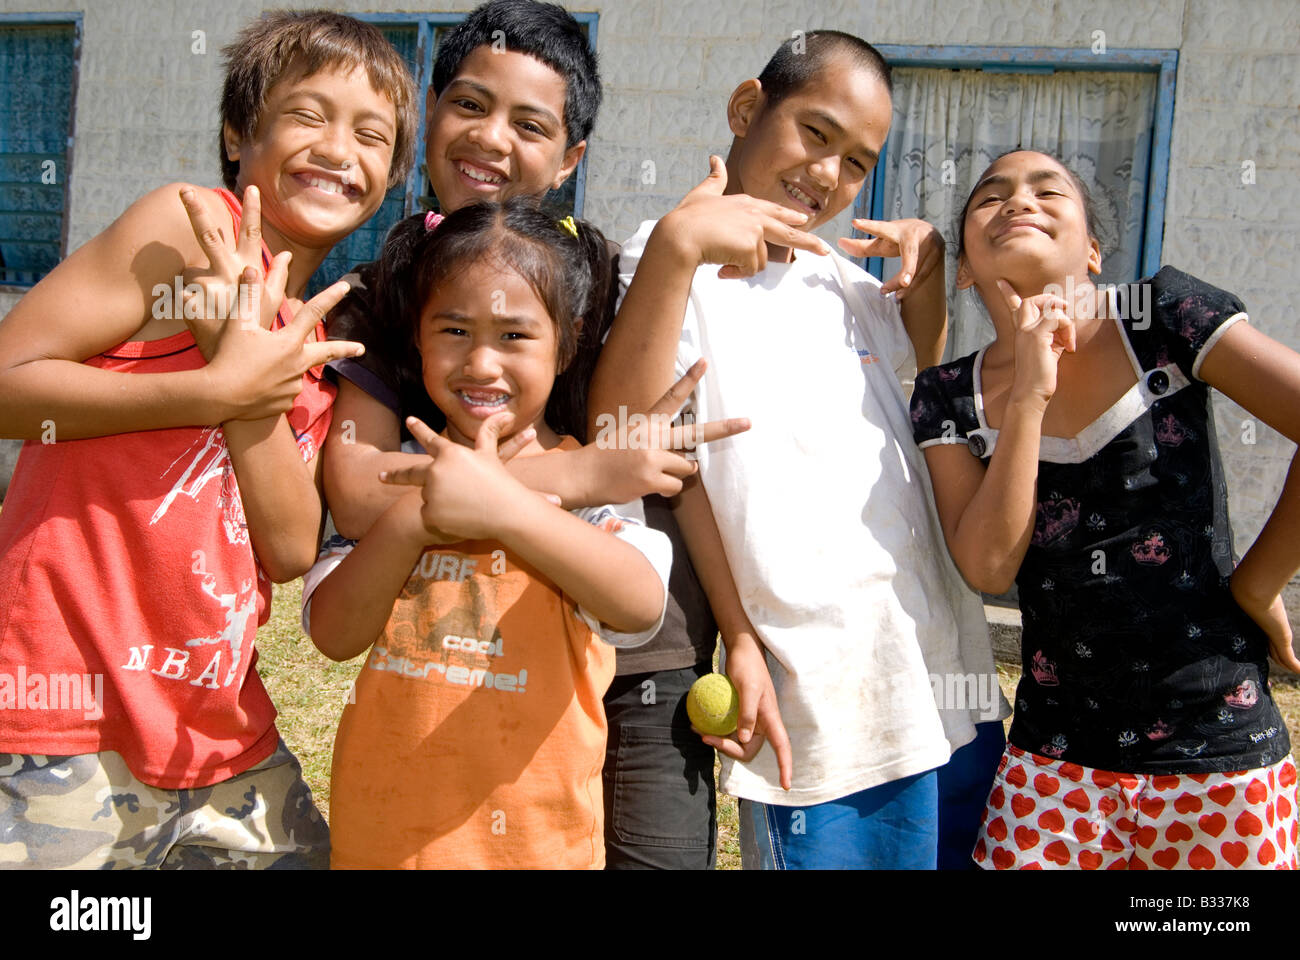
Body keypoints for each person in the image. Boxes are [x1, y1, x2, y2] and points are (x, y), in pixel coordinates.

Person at [0, 11, 417, 868]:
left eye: (371, 135)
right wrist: (213, 390)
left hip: (213, 728)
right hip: (61, 712)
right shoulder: (187, 230)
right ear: (238, 134)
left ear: (391, 177)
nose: (338, 148)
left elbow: (289, 548)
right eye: (307, 115)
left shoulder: (322, 339)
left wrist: (250, 385)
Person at [321, 0, 729, 869]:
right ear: (431, 109)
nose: (491, 138)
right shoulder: (381, 290)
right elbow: (355, 493)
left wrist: (677, 251)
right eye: (470, 104)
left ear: (572, 156)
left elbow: (644, 459)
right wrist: (577, 479)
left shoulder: (606, 276)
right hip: (450, 656)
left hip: (637, 652)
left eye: (530, 123)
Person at [589, 30, 1005, 870]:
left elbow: (912, 389)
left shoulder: (845, 281)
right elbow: (630, 436)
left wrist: (928, 277)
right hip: (814, 684)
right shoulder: (670, 257)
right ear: (748, 107)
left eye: (856, 163)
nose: (827, 174)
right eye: (816, 133)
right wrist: (740, 635)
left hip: (934, 669)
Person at [910, 149, 1300, 869]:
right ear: (963, 268)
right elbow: (988, 566)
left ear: (1092, 251)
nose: (1018, 201)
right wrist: (1029, 395)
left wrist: (1257, 583)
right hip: (1052, 768)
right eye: (990, 197)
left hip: (1219, 753)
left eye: (1047, 190)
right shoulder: (947, 395)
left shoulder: (1167, 318)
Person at [302, 201, 677, 869]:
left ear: (567, 342)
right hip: (383, 848)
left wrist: (503, 507)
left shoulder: (583, 487)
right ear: (417, 338)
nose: (480, 362)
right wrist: (417, 517)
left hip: (540, 851)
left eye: (513, 336)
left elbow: (639, 604)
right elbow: (333, 634)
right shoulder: (396, 483)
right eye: (454, 329)